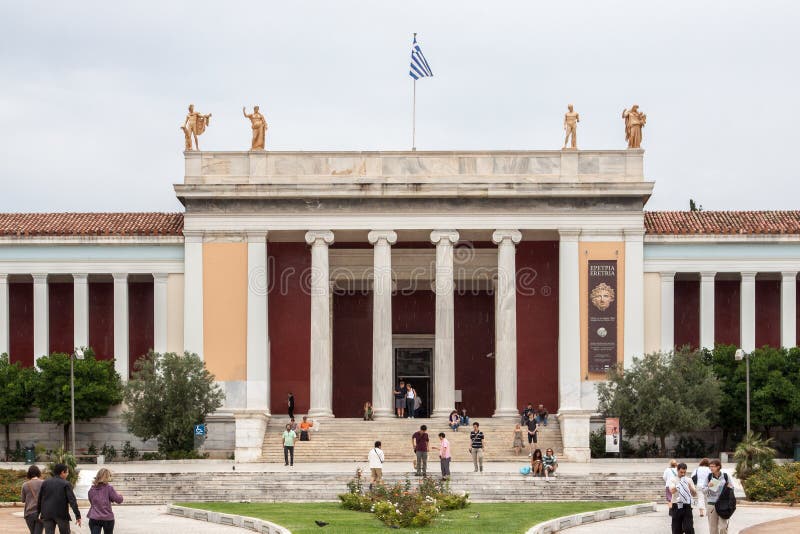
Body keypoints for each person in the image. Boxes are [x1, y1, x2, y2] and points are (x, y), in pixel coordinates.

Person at [37, 463, 81, 534]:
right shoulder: (66, 484)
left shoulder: (45, 482)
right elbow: (72, 501)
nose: (67, 474)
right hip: (61, 514)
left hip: (47, 514)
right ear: (62, 472)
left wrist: (38, 513)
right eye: (67, 472)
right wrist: (78, 515)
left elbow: (40, 499)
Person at [86, 468, 123, 534]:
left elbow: (91, 502)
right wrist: (120, 496)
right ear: (106, 477)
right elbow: (119, 500)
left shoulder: (91, 489)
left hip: (94, 517)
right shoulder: (109, 488)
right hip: (107, 518)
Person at [705, 458, 734, 534]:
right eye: (710, 466)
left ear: (718, 467)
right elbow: (703, 490)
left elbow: (732, 488)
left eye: (713, 466)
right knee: (713, 527)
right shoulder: (709, 477)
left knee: (723, 527)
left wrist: (729, 487)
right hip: (712, 504)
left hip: (723, 504)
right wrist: (708, 486)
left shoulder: (725, 476)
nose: (711, 468)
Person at [669, 462, 698, 534]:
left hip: (687, 506)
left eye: (684, 472)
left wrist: (690, 487)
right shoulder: (673, 479)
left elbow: (694, 494)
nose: (683, 474)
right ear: (677, 470)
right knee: (676, 529)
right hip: (676, 505)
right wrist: (680, 485)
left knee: (689, 528)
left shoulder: (689, 480)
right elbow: (672, 491)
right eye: (681, 472)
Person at [21, 465, 44, 534]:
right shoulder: (44, 483)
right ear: (38, 472)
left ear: (29, 474)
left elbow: (23, 500)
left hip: (29, 514)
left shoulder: (25, 485)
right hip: (41, 513)